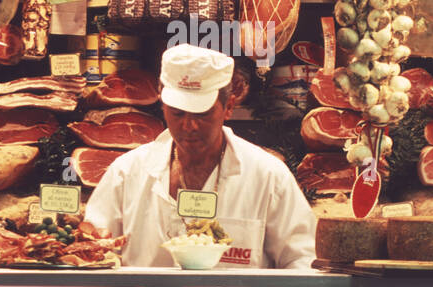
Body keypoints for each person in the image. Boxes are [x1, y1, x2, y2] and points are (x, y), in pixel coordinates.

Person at [84, 43, 316, 268]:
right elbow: (93, 252)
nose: (189, 126)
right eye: (177, 113)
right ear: (162, 104)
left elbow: (303, 259)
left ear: (228, 107)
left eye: (202, 113)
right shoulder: (126, 173)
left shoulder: (267, 176)